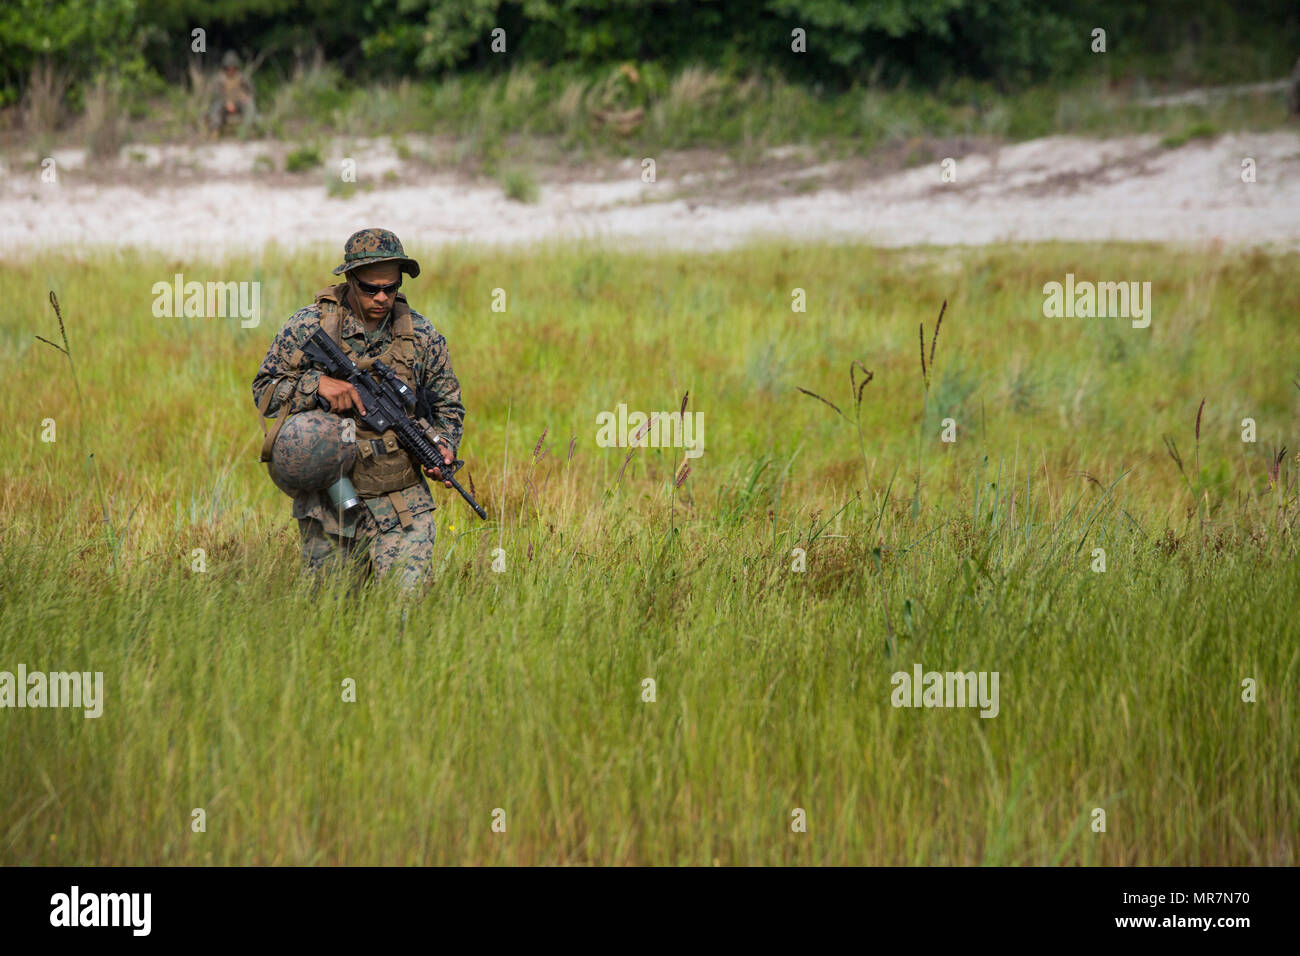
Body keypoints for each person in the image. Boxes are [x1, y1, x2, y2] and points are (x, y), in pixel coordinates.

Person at [252, 228, 466, 591]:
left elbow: (449, 405)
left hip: (401, 499)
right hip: (331, 497)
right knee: (331, 616)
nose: (382, 297)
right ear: (350, 279)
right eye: (370, 288)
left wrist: (443, 445)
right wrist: (316, 385)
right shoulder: (308, 326)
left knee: (405, 610)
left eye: (391, 287)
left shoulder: (422, 335)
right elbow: (265, 391)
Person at [208, 50, 256, 138]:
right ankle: (215, 131)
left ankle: (245, 131)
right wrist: (226, 102)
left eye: (233, 68)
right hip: (225, 103)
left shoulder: (241, 77)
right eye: (228, 68)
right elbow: (216, 94)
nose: (230, 70)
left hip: (239, 102)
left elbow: (251, 90)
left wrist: (247, 97)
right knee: (216, 106)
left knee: (250, 104)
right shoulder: (220, 78)